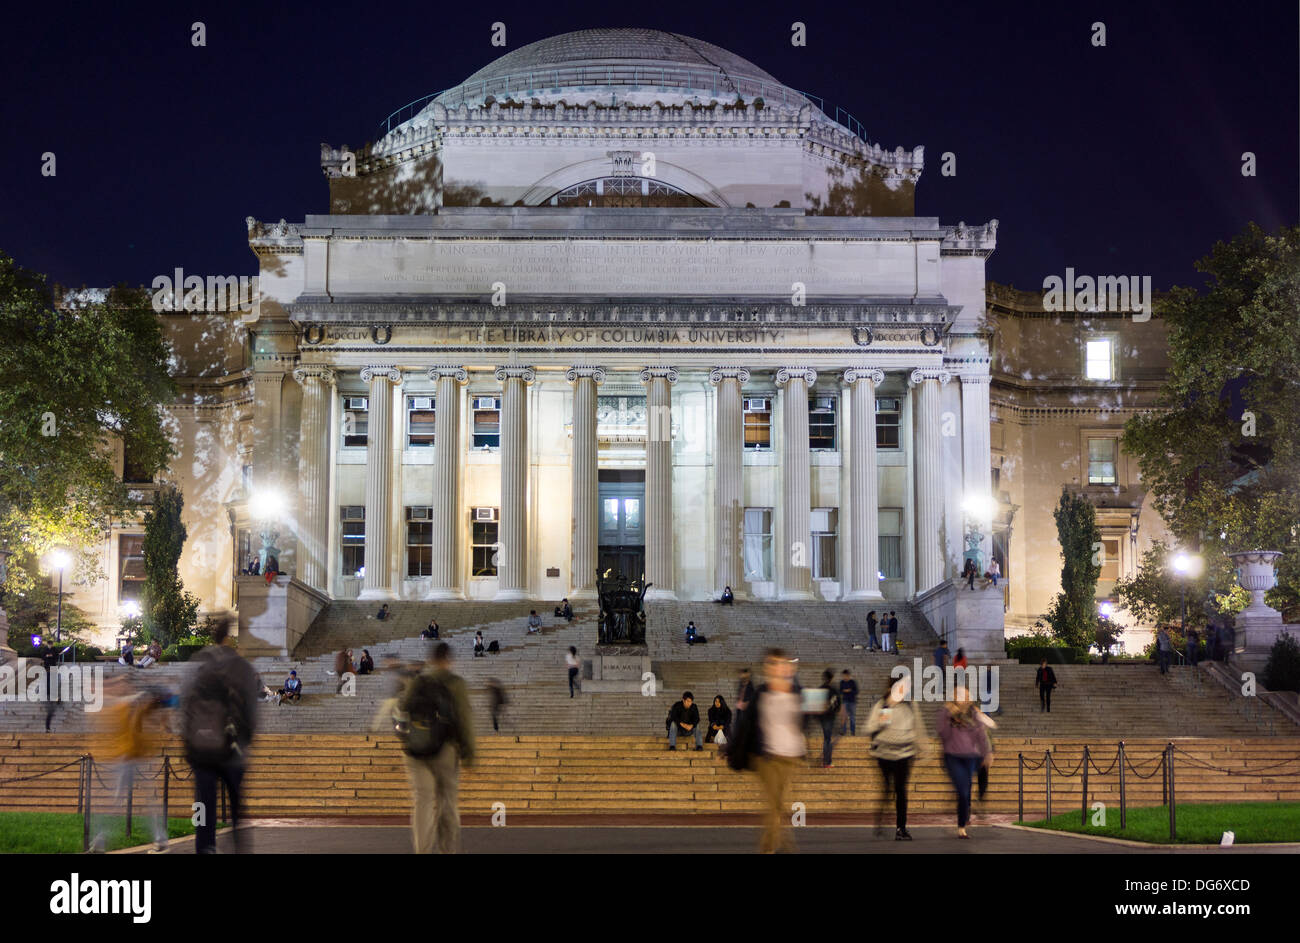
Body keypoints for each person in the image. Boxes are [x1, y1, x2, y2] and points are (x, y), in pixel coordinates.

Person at [181, 619, 259, 854]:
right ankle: (238, 845)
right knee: (236, 805)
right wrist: (245, 740)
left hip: (201, 748)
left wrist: (189, 742)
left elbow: (184, 704)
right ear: (229, 637)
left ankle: (204, 846)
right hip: (231, 749)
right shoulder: (241, 666)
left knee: (203, 804)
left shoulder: (198, 663)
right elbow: (251, 710)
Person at [397, 642, 475, 854]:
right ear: (449, 660)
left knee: (423, 800)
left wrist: (407, 739)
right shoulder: (455, 683)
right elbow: (465, 719)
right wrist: (469, 752)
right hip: (445, 750)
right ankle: (446, 851)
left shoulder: (419, 681)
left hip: (416, 750)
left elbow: (402, 709)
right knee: (446, 802)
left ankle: (422, 851)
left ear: (432, 660)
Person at [727, 649, 804, 853]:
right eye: (773, 663)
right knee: (773, 805)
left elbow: (803, 721)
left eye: (781, 663)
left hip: (791, 755)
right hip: (767, 756)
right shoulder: (761, 692)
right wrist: (731, 747)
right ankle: (770, 849)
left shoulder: (796, 691)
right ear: (768, 667)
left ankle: (783, 844)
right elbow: (745, 723)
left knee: (779, 805)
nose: (777, 667)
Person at [93, 677, 172, 853]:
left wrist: (162, 714)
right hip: (127, 757)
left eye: (122, 684)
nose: (119, 687)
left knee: (132, 800)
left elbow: (159, 706)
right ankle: (101, 839)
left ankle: (160, 840)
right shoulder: (122, 705)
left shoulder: (135, 703)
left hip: (135, 757)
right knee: (119, 800)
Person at [865, 676, 925, 840]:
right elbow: (872, 727)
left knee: (901, 791)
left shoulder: (910, 706)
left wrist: (922, 747)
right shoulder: (884, 705)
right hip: (884, 755)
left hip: (905, 755)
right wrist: (888, 708)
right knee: (887, 789)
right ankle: (880, 820)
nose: (903, 691)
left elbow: (917, 728)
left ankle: (901, 828)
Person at [936, 686, 991, 839]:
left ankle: (962, 823)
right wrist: (949, 716)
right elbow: (943, 734)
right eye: (962, 696)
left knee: (965, 791)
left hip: (971, 756)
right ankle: (961, 827)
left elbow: (981, 734)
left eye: (967, 695)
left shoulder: (974, 714)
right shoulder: (945, 712)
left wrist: (987, 753)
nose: (965, 699)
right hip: (952, 756)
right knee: (963, 790)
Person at [817, 669, 841, 767]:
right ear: (831, 678)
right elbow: (838, 703)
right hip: (830, 716)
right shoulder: (833, 689)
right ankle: (827, 761)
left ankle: (825, 760)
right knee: (829, 739)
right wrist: (836, 711)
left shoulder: (820, 689)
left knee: (827, 738)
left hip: (823, 717)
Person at [732, 667, 755, 740]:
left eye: (744, 675)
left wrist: (746, 704)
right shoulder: (741, 685)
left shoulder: (751, 686)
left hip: (747, 711)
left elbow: (753, 699)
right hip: (740, 710)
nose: (742, 676)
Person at [838, 669, 859, 736]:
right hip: (844, 701)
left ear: (848, 675)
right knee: (844, 717)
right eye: (843, 676)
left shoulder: (852, 682)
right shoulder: (842, 682)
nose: (844, 677)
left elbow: (856, 691)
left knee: (852, 717)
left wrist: (850, 691)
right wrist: (844, 691)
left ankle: (853, 732)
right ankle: (843, 731)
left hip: (852, 702)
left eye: (845, 676)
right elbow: (840, 691)